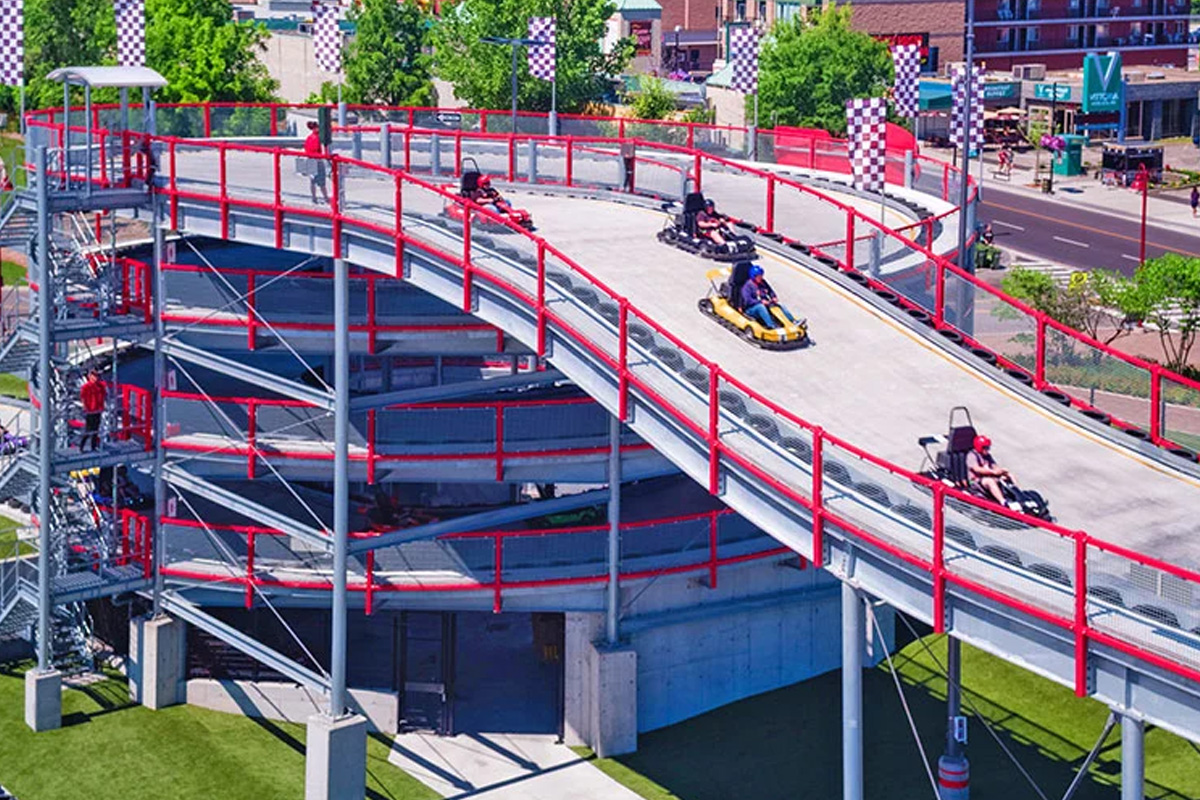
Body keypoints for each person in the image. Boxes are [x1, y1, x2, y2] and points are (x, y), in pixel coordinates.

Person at [739, 264, 799, 330]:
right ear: (754, 276)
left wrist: (773, 297)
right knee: (761, 307)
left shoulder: (763, 282)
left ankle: (792, 321)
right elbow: (748, 300)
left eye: (761, 275)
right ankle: (771, 325)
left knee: (780, 305)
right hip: (751, 309)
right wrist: (760, 302)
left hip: (765, 304)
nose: (761, 277)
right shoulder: (747, 286)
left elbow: (770, 291)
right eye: (759, 276)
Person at [968, 435, 1012, 506]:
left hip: (988, 477)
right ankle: (1003, 501)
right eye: (986, 448)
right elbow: (977, 469)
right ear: (980, 447)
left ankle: (1018, 496)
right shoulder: (972, 456)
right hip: (975, 481)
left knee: (1008, 476)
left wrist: (1001, 471)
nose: (988, 449)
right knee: (989, 481)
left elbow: (994, 466)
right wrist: (992, 472)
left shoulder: (987, 456)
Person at [79, 370, 107, 453]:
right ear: (90, 377)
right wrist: (86, 408)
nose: (96, 378)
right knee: (88, 429)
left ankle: (93, 446)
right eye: (94, 376)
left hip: (98, 410)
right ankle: (82, 446)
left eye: (97, 376)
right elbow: (83, 398)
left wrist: (102, 407)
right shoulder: (86, 387)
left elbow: (103, 397)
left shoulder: (101, 386)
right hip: (90, 411)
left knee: (96, 429)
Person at [304, 121, 329, 205]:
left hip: (310, 160)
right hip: (317, 160)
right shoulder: (317, 138)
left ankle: (314, 198)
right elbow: (317, 150)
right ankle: (326, 198)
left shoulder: (309, 137)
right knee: (322, 181)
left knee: (312, 181)